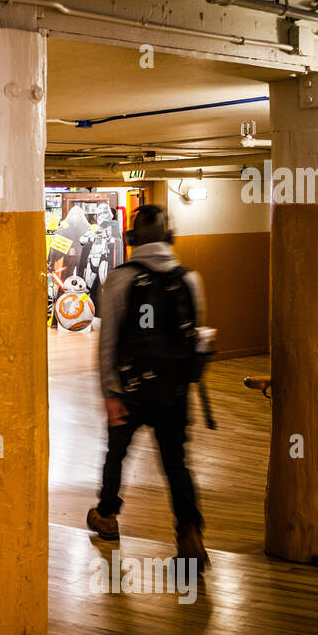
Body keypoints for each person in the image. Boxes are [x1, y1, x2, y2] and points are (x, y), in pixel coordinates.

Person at [87, 204, 209, 568]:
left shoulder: (120, 279)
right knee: (176, 464)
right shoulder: (190, 279)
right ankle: (189, 532)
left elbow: (108, 342)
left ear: (132, 239)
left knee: (117, 454)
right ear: (169, 237)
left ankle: (107, 516)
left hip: (130, 390)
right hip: (173, 394)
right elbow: (197, 338)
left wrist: (110, 393)